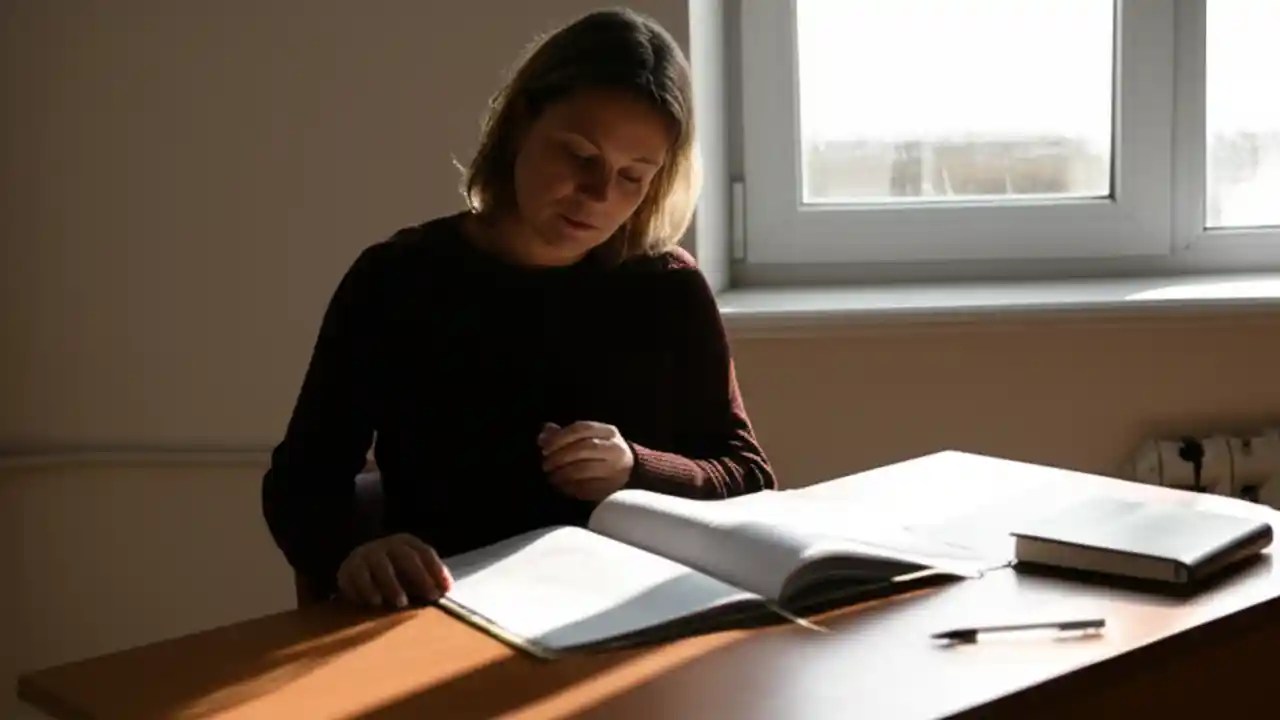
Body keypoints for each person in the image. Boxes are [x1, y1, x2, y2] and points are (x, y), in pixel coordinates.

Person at [261, 7, 775, 611]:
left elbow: (749, 478)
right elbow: (300, 483)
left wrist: (636, 467)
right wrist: (353, 550)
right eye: (580, 156)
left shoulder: (668, 289)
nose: (600, 195)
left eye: (634, 176)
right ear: (519, 125)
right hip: (450, 619)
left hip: (635, 620)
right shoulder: (397, 280)